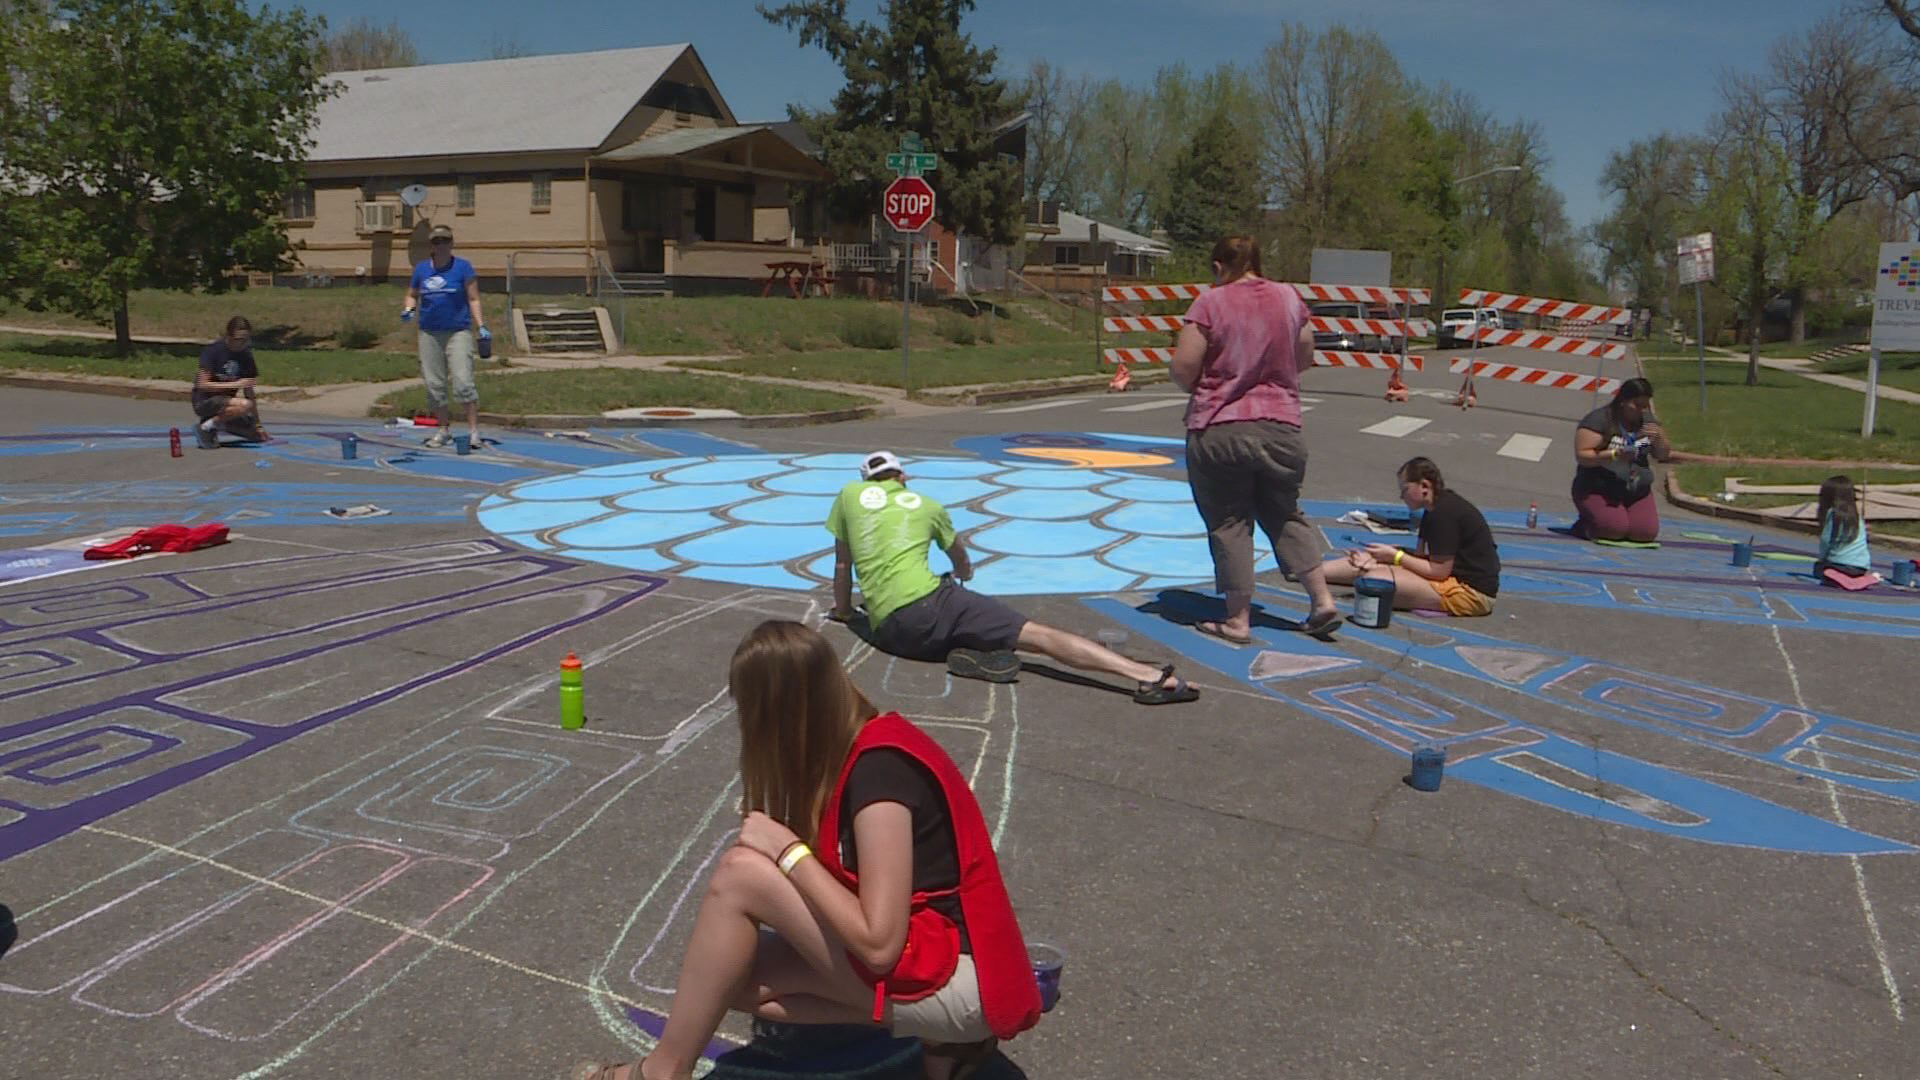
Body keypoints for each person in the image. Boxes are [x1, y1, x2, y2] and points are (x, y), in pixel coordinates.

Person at [573, 620, 1042, 1080]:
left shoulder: (880, 775)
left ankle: (662, 1072)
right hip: (933, 963)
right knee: (720, 978)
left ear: (778, 715)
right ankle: (946, 1041)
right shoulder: (857, 747)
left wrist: (787, 851)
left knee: (741, 873)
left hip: (961, 978)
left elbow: (879, 946)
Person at [828, 451, 1198, 706]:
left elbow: (843, 566)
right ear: (903, 476)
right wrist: (964, 574)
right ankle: (1147, 676)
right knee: (1037, 635)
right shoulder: (928, 506)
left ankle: (974, 649)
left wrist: (844, 613)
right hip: (931, 602)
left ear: (866, 480)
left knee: (960, 627)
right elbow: (959, 558)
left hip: (893, 635)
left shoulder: (848, 496)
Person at [1169, 235, 1341, 642]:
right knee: (1284, 512)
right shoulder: (1288, 299)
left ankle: (1237, 619)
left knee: (1230, 522)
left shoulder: (1210, 303)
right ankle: (1322, 601)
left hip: (1221, 425)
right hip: (1281, 426)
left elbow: (1184, 367)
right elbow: (1304, 358)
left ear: (1218, 267)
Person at [1321, 458, 1501, 617]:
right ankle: (1310, 572)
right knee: (1372, 559)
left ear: (1424, 486)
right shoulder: (1434, 509)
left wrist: (1395, 557)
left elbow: (1439, 571)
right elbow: (1421, 556)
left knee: (1375, 579)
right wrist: (1381, 557)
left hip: (1471, 593)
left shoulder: (1444, 513)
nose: (1401, 496)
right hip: (1451, 578)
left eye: (1405, 489)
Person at [403, 224, 487, 449]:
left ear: (451, 243)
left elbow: (474, 298)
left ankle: (473, 431)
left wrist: (481, 325)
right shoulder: (422, 269)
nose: (441, 246)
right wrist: (409, 309)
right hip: (429, 332)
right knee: (434, 384)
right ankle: (443, 429)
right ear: (431, 245)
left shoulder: (463, 268)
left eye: (445, 241)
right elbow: (412, 295)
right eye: (436, 242)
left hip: (458, 331)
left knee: (463, 382)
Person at [1571, 377, 1671, 542]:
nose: (1641, 410)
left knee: (1645, 533)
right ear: (1623, 401)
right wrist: (1614, 454)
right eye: (1637, 405)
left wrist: (1659, 438)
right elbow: (1583, 456)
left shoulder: (1648, 422)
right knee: (1613, 530)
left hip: (1635, 487)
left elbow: (1663, 455)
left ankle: (1626, 514)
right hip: (1599, 487)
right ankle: (1585, 525)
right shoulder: (1601, 420)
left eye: (1645, 406)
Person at [191, 316, 266, 448]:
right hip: (205, 400)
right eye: (239, 340)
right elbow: (202, 385)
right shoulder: (213, 351)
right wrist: (235, 384)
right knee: (245, 405)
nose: (243, 344)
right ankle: (206, 427)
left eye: (246, 340)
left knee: (255, 435)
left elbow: (249, 392)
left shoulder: (246, 356)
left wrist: (258, 425)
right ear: (229, 336)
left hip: (227, 402)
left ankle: (217, 423)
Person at [1815, 474, 1874, 581]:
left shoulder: (1832, 515)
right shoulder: (1856, 517)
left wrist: (1822, 559)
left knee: (1818, 569)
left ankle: (1836, 578)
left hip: (1838, 564)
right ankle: (1859, 578)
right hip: (1860, 567)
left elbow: (1826, 540)